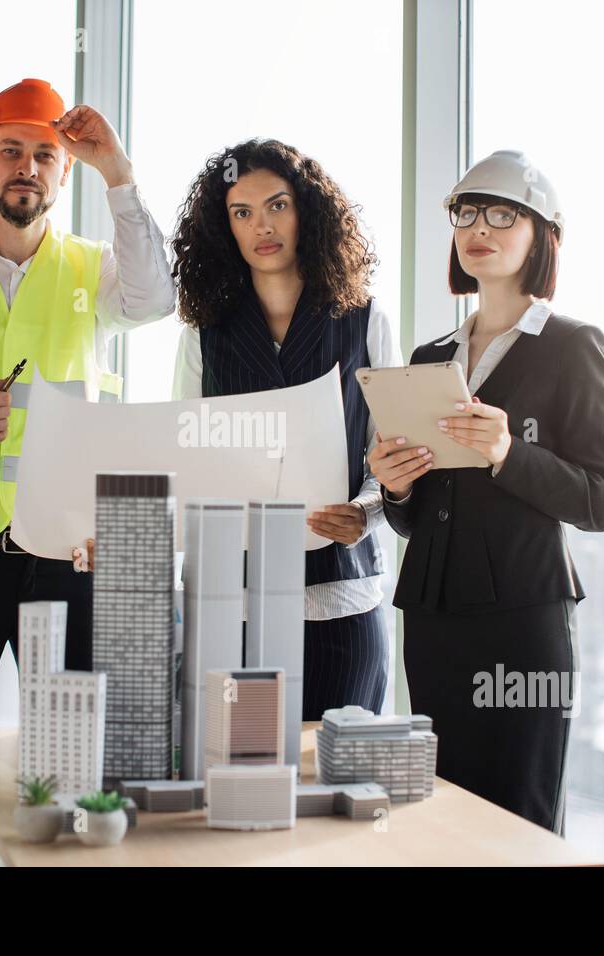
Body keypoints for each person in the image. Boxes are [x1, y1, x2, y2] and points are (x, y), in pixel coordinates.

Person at [0, 78, 175, 866]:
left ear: (64, 170)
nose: (27, 167)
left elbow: (157, 298)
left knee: (76, 772)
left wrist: (119, 171)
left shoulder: (97, 272)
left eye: (46, 155)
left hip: (69, 555)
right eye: (10, 150)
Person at [368, 149, 604, 834]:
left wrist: (508, 452)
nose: (479, 227)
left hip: (522, 620)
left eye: (502, 213)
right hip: (432, 618)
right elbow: (418, 517)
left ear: (542, 233)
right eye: (466, 213)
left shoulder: (573, 346)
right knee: (443, 816)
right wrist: (395, 490)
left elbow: (603, 498)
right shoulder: (429, 358)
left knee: (521, 818)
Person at [169, 138, 400, 718]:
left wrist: (366, 512)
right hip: (234, 605)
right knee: (241, 792)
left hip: (341, 599)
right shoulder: (204, 332)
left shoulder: (365, 320)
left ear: (307, 212)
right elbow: (185, 463)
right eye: (241, 213)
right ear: (224, 228)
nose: (261, 227)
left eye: (277, 205)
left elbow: (391, 453)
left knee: (338, 790)